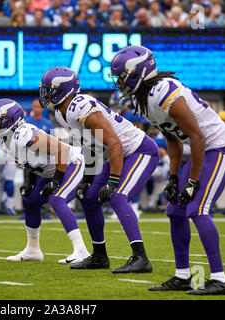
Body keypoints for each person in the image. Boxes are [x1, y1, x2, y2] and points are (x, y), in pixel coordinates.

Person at [110, 45, 225, 295]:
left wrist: (191, 182)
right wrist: (172, 176)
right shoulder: (145, 99)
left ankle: (220, 279)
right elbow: (172, 139)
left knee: (197, 209)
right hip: (202, 148)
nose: (120, 83)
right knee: (175, 210)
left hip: (219, 146)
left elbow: (197, 137)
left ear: (138, 72)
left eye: (122, 76)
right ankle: (182, 276)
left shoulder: (164, 89)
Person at [39, 67, 160, 272]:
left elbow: (114, 143)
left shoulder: (80, 106)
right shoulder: (62, 113)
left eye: (48, 90)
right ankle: (99, 256)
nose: (44, 94)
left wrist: (112, 181)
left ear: (62, 91)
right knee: (88, 197)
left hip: (138, 150)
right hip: (116, 153)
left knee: (117, 196)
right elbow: (90, 144)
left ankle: (141, 257)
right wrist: (87, 178)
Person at [0, 98, 91, 264]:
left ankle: (81, 251)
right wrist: (29, 182)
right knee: (30, 201)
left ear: (10, 121)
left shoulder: (24, 133)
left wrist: (56, 181)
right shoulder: (5, 140)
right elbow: (31, 163)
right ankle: (33, 250)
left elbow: (61, 151)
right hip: (52, 169)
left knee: (57, 200)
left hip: (74, 161)